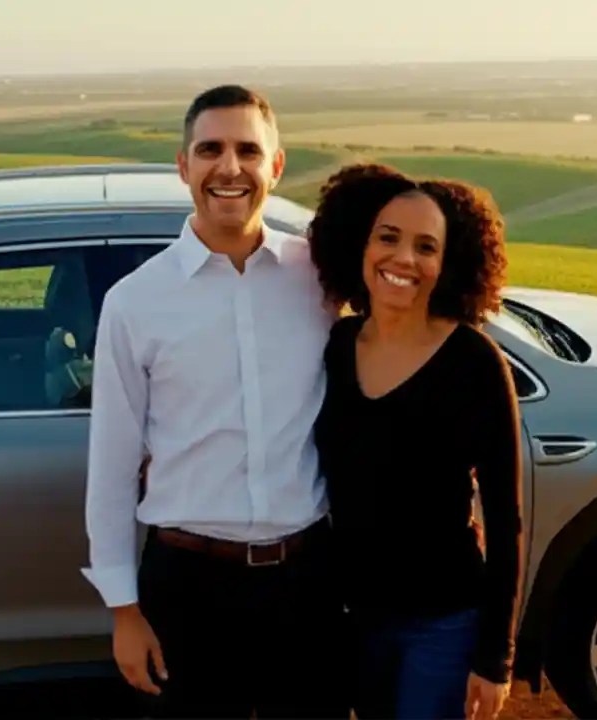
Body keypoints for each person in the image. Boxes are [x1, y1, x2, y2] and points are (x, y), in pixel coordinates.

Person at [80, 84, 347, 719]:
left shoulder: (321, 281)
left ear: (276, 167)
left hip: (307, 581)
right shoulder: (133, 302)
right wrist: (124, 611)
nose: (230, 168)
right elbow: (113, 468)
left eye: (248, 151)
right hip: (187, 586)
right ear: (184, 166)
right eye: (210, 150)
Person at [307, 163, 526, 720]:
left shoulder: (475, 364)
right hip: (353, 617)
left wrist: (495, 657)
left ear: (448, 263)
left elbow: (505, 521)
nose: (403, 258)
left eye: (425, 246)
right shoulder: (337, 345)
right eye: (388, 238)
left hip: (443, 624)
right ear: (360, 244)